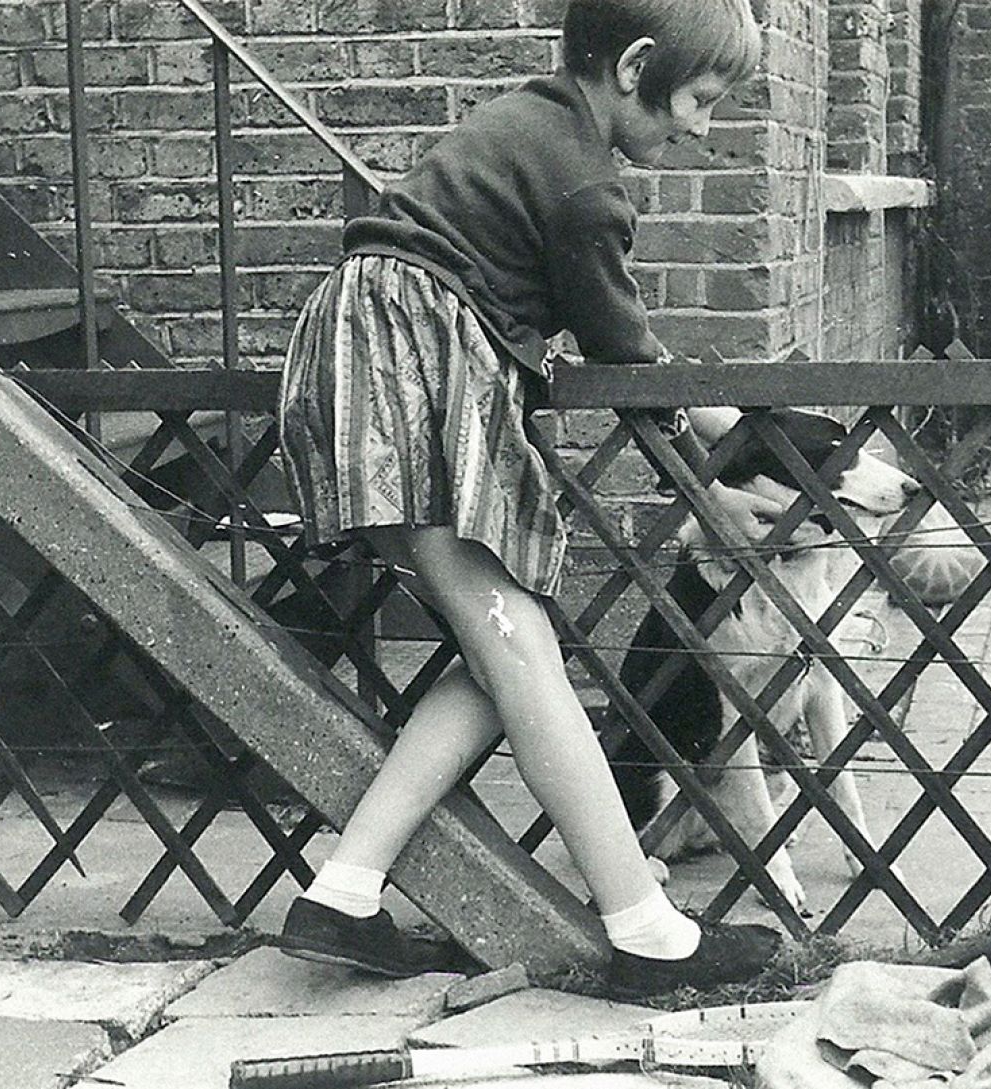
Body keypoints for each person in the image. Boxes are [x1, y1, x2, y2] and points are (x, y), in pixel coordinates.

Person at [274, 0, 783, 998]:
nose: (702, 127)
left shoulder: (530, 123)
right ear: (635, 65)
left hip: (371, 355)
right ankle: (646, 931)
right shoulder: (585, 184)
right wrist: (712, 478)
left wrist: (709, 428)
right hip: (416, 359)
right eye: (699, 98)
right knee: (516, 643)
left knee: (505, 648)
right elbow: (625, 355)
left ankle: (344, 891)